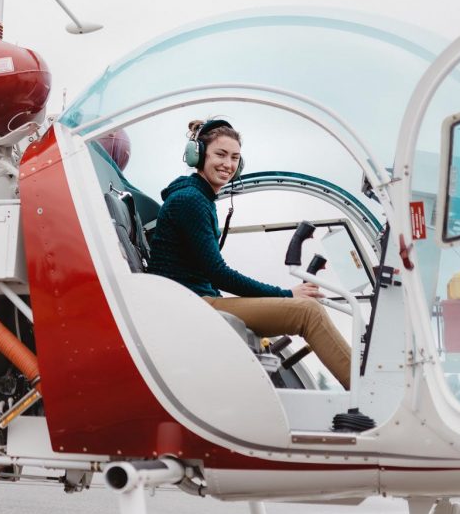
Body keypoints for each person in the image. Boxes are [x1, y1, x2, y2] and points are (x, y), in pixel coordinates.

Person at [149, 118, 352, 389]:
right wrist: (287, 294)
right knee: (308, 313)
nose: (228, 165)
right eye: (220, 154)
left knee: (307, 310)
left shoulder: (198, 198)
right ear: (198, 156)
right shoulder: (191, 201)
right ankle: (370, 396)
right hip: (193, 304)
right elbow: (218, 273)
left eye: (234, 158)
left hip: (195, 300)